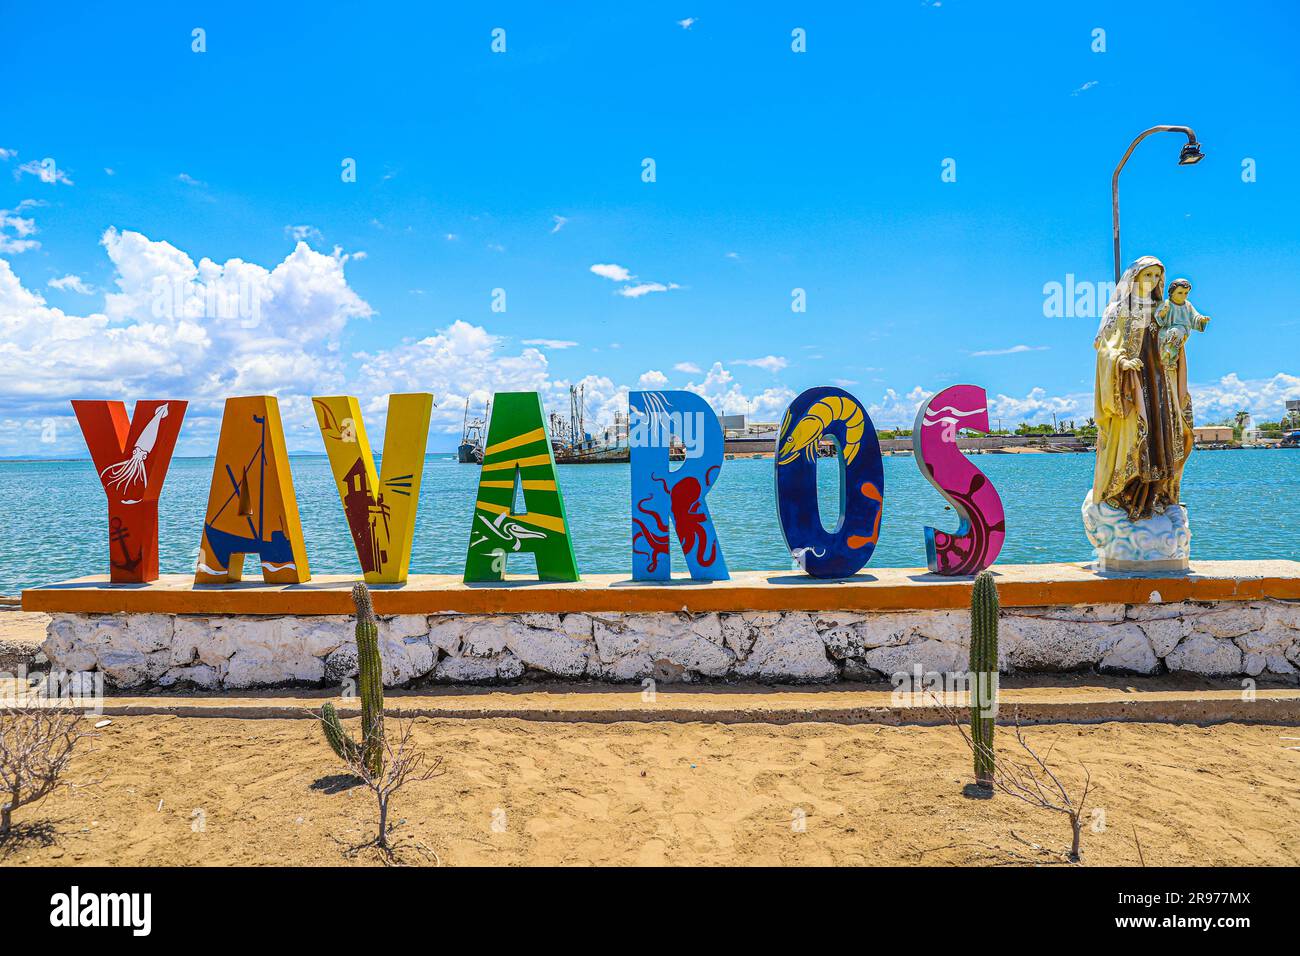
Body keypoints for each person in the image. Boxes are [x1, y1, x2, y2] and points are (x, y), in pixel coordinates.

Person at [1091, 256, 1196, 520]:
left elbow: (1176, 336)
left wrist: (1178, 338)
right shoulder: (1120, 309)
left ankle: (1159, 494)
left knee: (1164, 434)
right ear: (1135, 277)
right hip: (1135, 380)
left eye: (1156, 277)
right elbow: (1104, 345)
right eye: (1147, 275)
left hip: (1160, 379)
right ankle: (1124, 493)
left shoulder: (1163, 308)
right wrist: (1121, 360)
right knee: (1137, 433)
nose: (1152, 282)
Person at [1155, 278, 1210, 369]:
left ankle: (1170, 359)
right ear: (1172, 292)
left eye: (1186, 293)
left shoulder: (1187, 305)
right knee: (1171, 335)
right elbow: (1158, 318)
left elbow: (1194, 317)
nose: (1183, 296)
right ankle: (1165, 357)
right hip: (1166, 331)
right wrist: (1163, 313)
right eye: (1180, 293)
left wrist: (1202, 319)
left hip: (1181, 332)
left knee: (1177, 332)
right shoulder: (1167, 303)